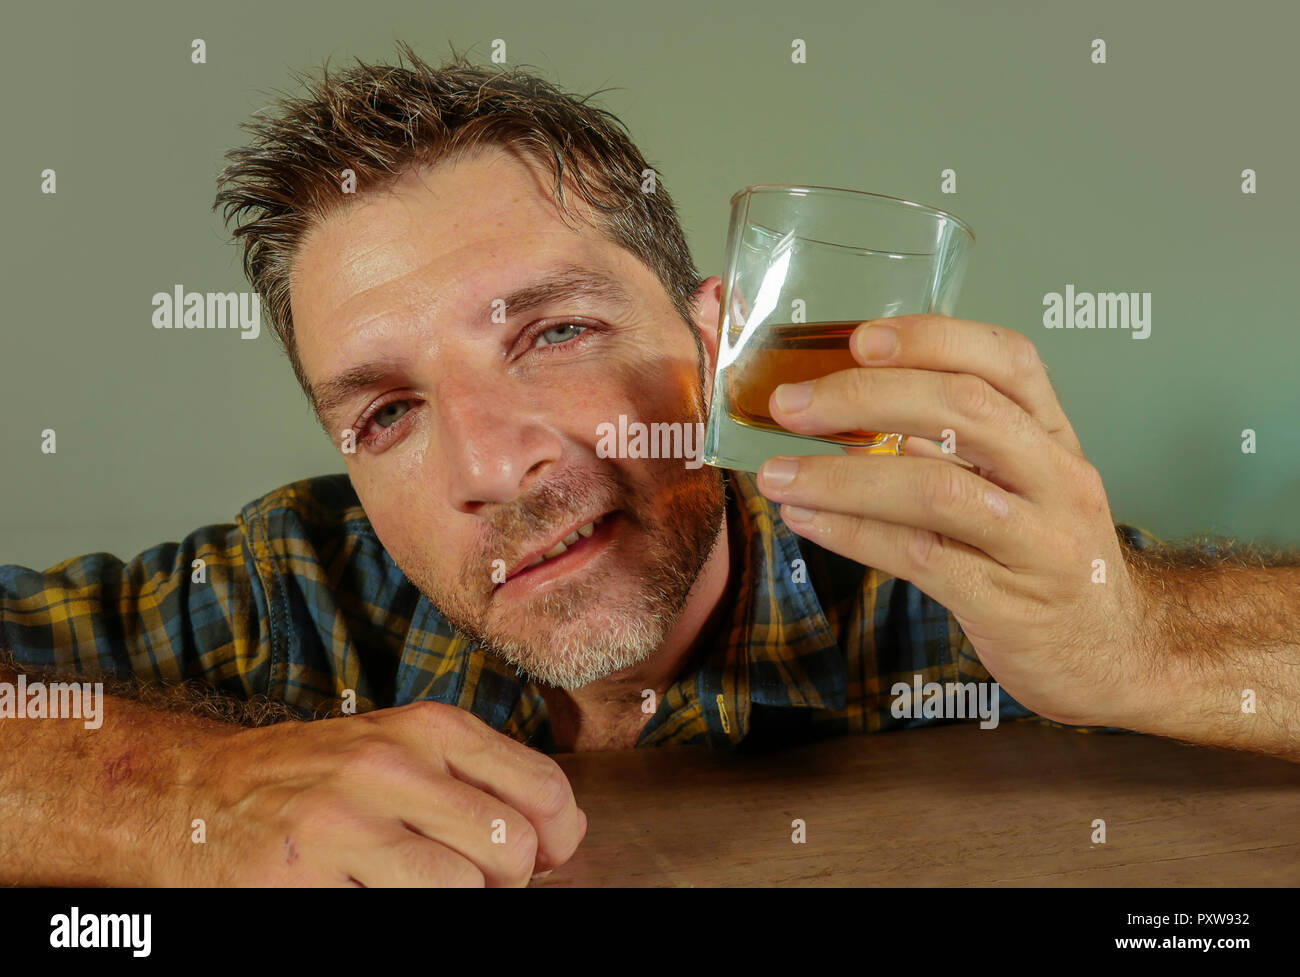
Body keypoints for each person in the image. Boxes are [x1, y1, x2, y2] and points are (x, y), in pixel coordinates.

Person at [2, 44, 1297, 888]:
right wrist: (181, 790)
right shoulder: (285, 592)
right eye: (388, 412)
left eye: (554, 332)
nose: (496, 463)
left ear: (713, 340)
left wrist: (1143, 643)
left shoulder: (938, 586)